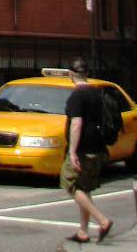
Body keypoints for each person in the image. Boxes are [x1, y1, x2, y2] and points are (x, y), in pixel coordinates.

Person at [62, 58, 113, 243]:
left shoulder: (77, 95)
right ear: (87, 74)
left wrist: (72, 152)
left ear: (70, 75)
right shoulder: (96, 93)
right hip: (98, 147)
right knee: (84, 187)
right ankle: (83, 232)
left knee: (69, 183)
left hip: (83, 149)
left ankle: (102, 220)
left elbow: (76, 124)